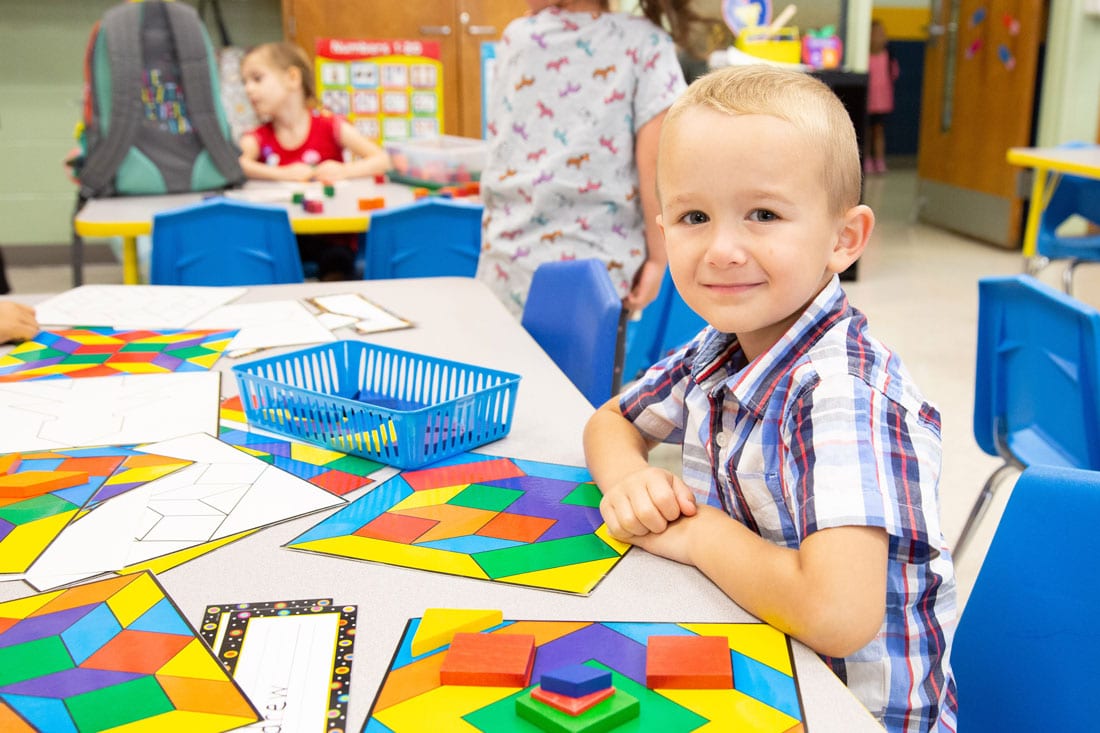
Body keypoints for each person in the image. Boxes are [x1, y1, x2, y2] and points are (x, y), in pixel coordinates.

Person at [583, 65, 957, 731]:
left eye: (763, 214)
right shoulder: (723, 341)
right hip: (753, 661)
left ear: (843, 239)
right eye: (695, 216)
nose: (723, 248)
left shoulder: (841, 393)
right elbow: (612, 421)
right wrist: (634, 481)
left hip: (844, 709)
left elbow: (836, 615)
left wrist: (698, 534)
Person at [477, 0, 704, 318]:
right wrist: (658, 258)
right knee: (586, 369)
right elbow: (655, 162)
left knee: (512, 366)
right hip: (598, 273)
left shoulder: (518, 37)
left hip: (505, 264)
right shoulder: (646, 42)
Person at [238, 42, 391, 280]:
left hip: (333, 237)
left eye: (256, 79)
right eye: (244, 82)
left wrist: (344, 170)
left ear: (292, 78)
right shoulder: (259, 135)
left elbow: (383, 160)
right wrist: (285, 173)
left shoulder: (329, 125)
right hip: (286, 237)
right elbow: (239, 163)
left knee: (337, 261)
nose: (248, 89)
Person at [865, 19, 899, 175]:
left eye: (882, 34)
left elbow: (894, 74)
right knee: (866, 131)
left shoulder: (888, 56)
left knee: (878, 131)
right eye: (876, 34)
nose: (880, 37)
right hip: (867, 101)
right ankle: (866, 160)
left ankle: (879, 160)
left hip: (882, 101)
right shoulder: (864, 57)